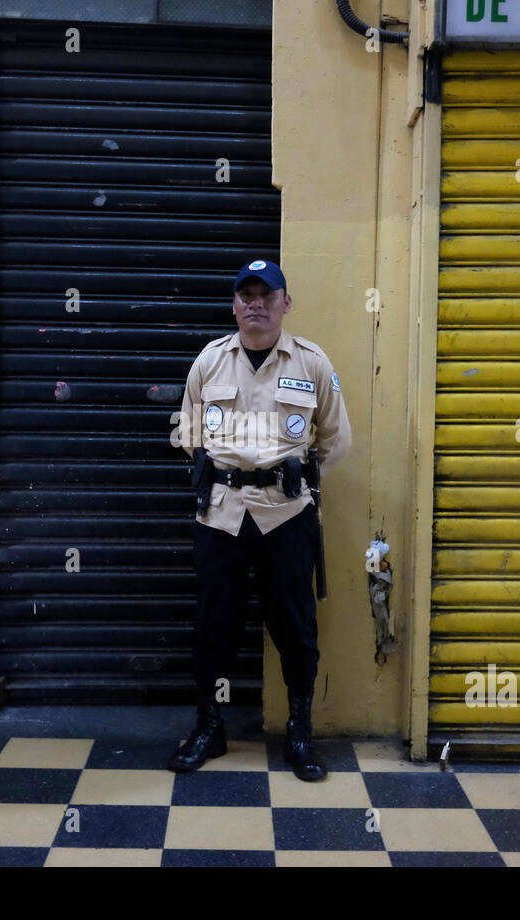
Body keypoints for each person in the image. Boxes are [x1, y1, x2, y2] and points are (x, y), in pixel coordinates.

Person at [170, 258, 351, 781]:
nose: (256, 304)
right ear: (234, 304)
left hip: (286, 515)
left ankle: (299, 731)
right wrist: (226, 472)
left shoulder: (312, 362)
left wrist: (300, 482)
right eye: (246, 295)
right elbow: (188, 431)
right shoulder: (210, 361)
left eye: (267, 295)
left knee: (295, 625)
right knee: (213, 625)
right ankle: (209, 727)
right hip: (221, 516)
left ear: (285, 303)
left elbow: (336, 438)